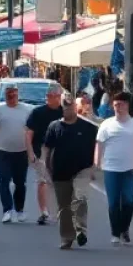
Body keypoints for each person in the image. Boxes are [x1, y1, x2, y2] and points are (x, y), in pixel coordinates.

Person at [43, 91, 98, 249]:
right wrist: (46, 170)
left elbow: (96, 148)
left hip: (82, 170)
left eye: (71, 108)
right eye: (65, 108)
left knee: (79, 198)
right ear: (62, 109)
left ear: (76, 107)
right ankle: (67, 237)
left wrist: (94, 167)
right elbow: (47, 149)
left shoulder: (87, 127)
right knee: (64, 207)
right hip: (60, 171)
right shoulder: (55, 127)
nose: (68, 111)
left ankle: (81, 231)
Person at [94, 90, 133, 245]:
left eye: (122, 104)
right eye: (116, 105)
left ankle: (125, 228)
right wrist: (96, 163)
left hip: (130, 168)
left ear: (127, 106)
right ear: (113, 106)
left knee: (129, 201)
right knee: (113, 202)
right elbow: (99, 145)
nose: (119, 107)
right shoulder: (106, 124)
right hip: (110, 168)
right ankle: (115, 233)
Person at [0, 83, 32, 223]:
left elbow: (32, 130)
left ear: (18, 93)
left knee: (20, 182)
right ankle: (7, 210)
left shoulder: (27, 109)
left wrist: (32, 150)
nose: (11, 95)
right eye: (8, 93)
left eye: (14, 92)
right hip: (2, 151)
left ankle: (19, 210)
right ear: (4, 95)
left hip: (21, 151)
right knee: (4, 180)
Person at [25, 83, 65, 225]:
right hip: (41, 150)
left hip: (61, 151)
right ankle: (44, 212)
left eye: (58, 96)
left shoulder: (65, 112)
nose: (56, 99)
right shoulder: (38, 112)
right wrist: (30, 152)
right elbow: (28, 134)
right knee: (43, 180)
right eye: (53, 96)